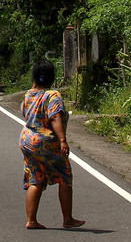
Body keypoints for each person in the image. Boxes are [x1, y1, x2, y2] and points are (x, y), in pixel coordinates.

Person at [19, 61, 85, 230]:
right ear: (51, 79)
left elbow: (25, 113)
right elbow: (55, 117)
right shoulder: (52, 96)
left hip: (28, 141)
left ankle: (31, 220)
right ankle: (68, 219)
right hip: (47, 142)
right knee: (64, 176)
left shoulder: (28, 95)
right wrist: (62, 140)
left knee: (36, 178)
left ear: (34, 79)